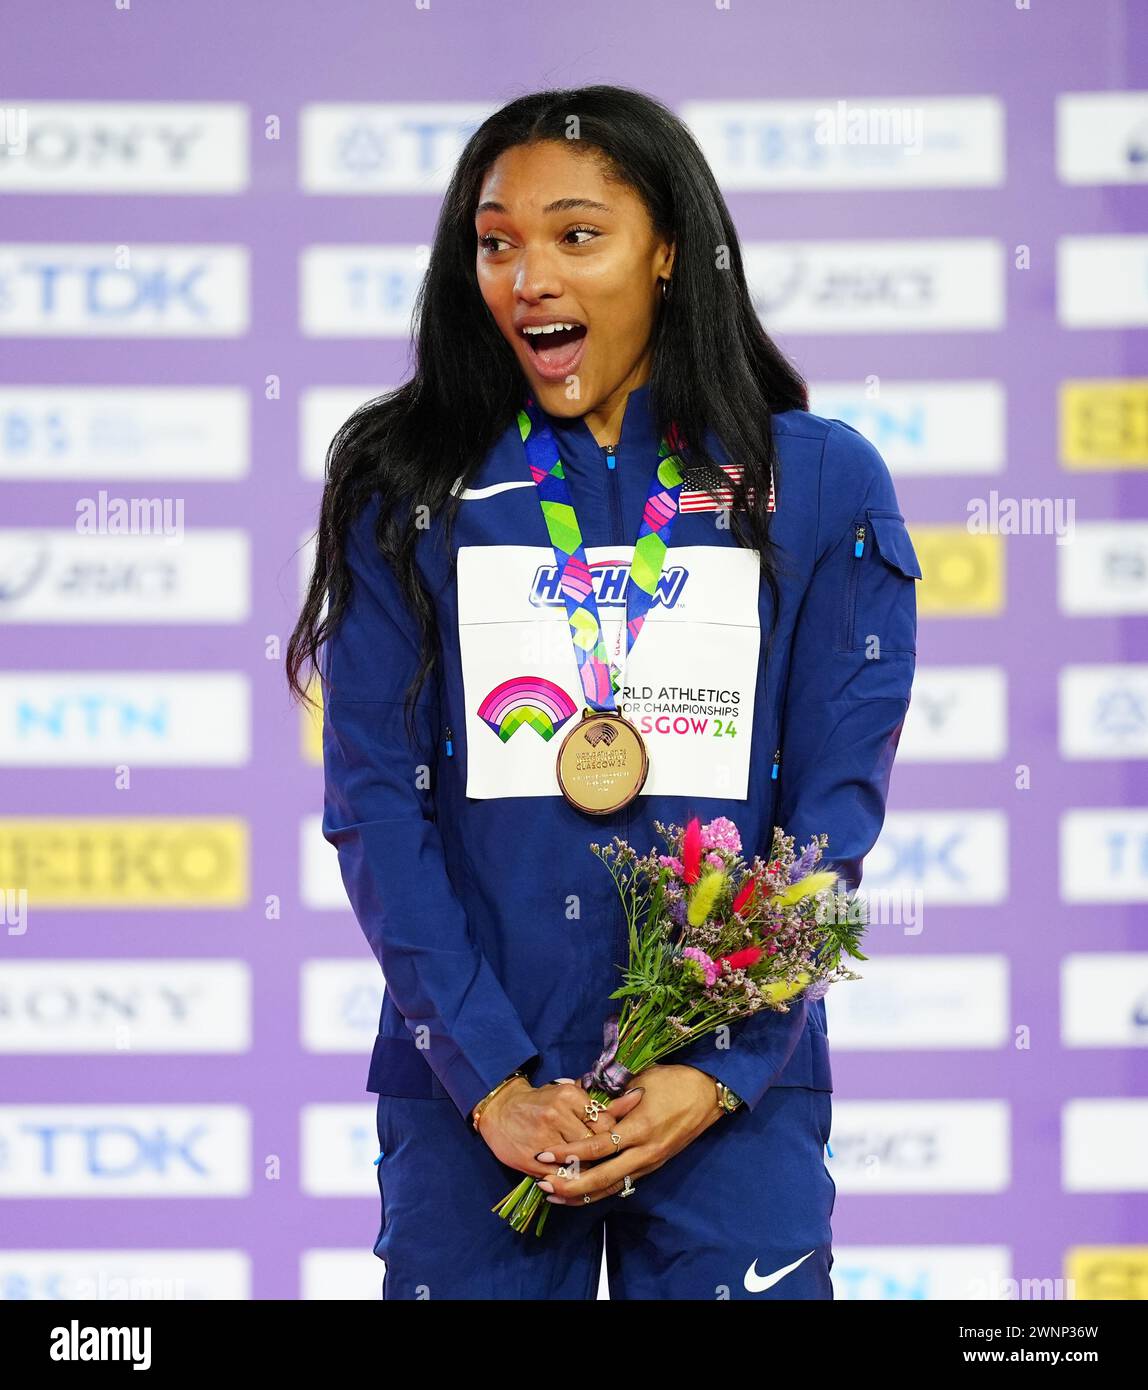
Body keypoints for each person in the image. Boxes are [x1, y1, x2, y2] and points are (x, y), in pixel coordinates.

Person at [287, 84, 920, 1301]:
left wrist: (718, 1066)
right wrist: (491, 1078)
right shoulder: (406, 481)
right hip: (476, 1098)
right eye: (496, 241)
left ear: (669, 250)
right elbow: (375, 805)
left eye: (576, 235)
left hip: (728, 1096)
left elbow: (832, 823)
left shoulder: (817, 479)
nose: (527, 276)